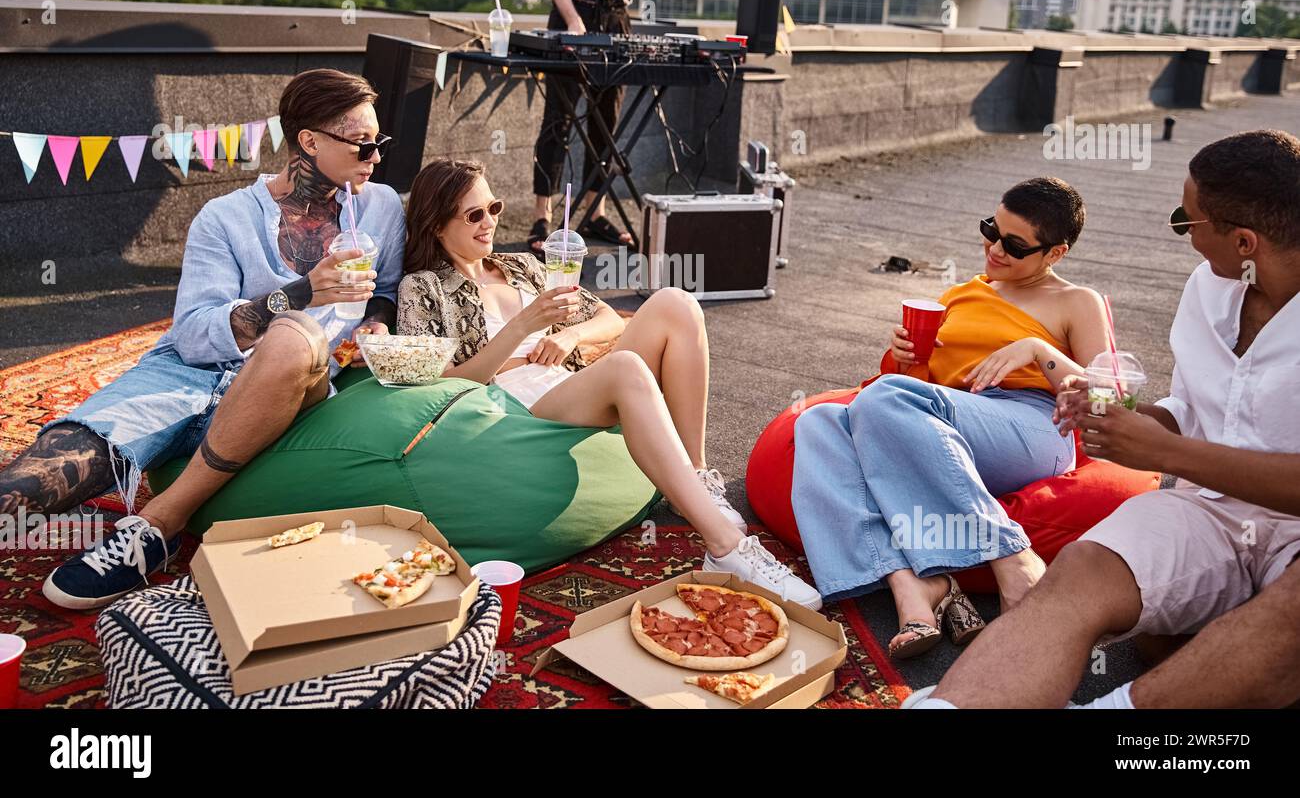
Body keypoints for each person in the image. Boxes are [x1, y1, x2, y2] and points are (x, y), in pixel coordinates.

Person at [914, 129, 1300, 708]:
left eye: (1187, 222)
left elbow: (1183, 450)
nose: (1182, 236)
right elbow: (1193, 415)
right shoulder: (1210, 288)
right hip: (1209, 509)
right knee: (1081, 569)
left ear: (1245, 241)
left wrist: (1165, 454)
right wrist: (1122, 420)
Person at [0, 69, 407, 610]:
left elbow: (386, 288)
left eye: (379, 143)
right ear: (309, 142)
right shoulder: (226, 217)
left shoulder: (380, 206)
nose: (375, 156)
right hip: (187, 373)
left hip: (290, 377)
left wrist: (375, 320)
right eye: (363, 144)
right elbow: (193, 335)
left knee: (293, 336)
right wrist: (301, 291)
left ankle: (155, 526)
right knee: (32, 485)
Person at [396, 158, 821, 608]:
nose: (490, 223)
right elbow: (442, 382)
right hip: (513, 402)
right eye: (474, 214)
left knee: (676, 303)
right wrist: (521, 327)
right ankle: (726, 550)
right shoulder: (423, 288)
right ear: (437, 224)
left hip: (568, 377)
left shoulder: (520, 265)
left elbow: (605, 317)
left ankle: (696, 478)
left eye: (495, 207)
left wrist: (570, 335)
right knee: (627, 370)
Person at [791, 177, 1112, 658]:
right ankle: (914, 588)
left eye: (1015, 245)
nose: (994, 249)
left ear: (1055, 253)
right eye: (991, 229)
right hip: (945, 424)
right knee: (815, 424)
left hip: (1031, 425)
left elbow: (1109, 399)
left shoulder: (1076, 301)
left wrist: (1037, 349)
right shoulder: (962, 293)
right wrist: (901, 356)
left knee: (886, 398)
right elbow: (917, 385)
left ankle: (1010, 555)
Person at [527, 0, 662, 255]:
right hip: (573, 11)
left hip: (616, 18)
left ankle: (594, 212)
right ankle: (542, 216)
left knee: (607, 119)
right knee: (559, 118)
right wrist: (571, 19)